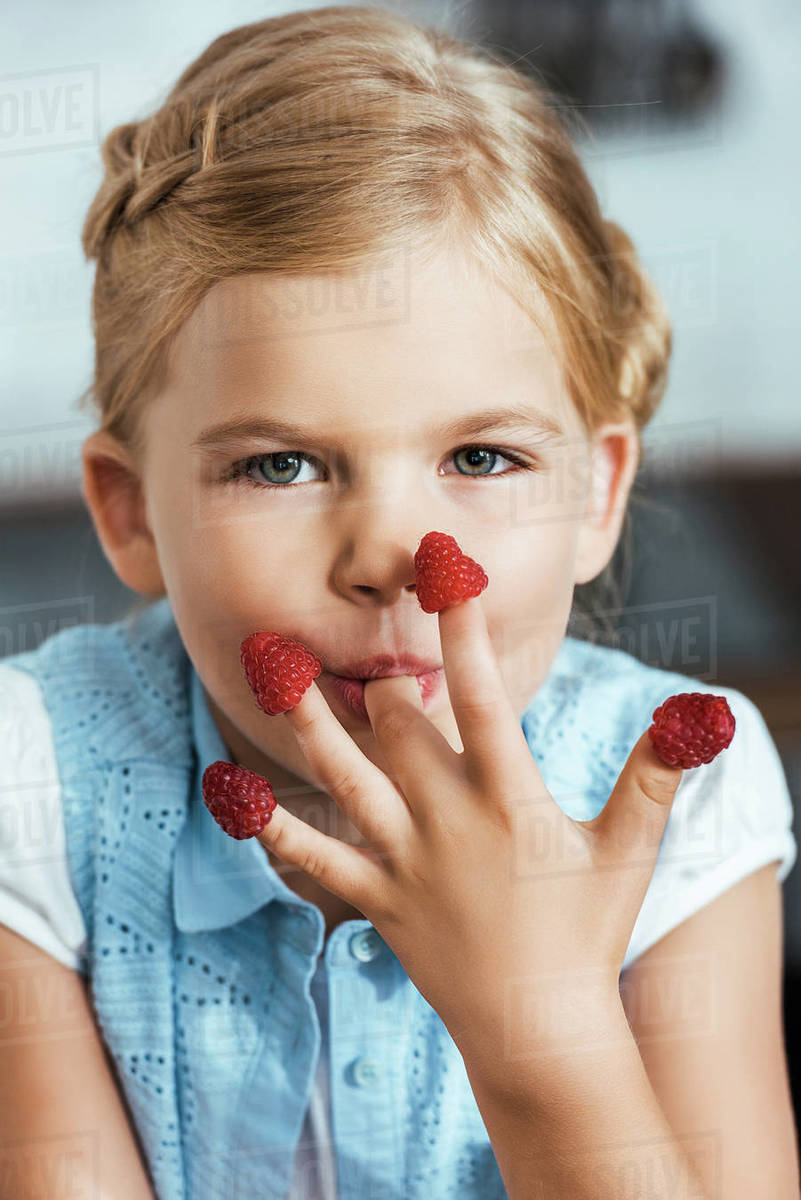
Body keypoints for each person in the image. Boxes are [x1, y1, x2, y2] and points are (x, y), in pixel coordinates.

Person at [0, 6, 797, 1198]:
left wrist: (542, 1030)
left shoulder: (683, 806)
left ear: (597, 495)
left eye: (482, 458)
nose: (393, 556)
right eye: (280, 464)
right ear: (128, 512)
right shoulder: (35, 786)